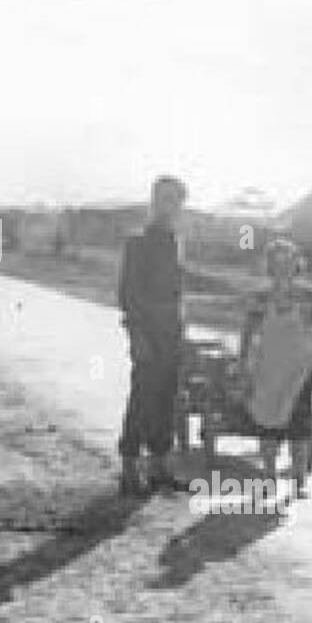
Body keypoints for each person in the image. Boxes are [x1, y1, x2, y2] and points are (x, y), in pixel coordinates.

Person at [238, 237, 312, 499]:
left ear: (296, 265)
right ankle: (267, 477)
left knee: (299, 427)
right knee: (267, 424)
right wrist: (242, 364)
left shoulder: (310, 295)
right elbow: (247, 333)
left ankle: (299, 481)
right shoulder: (260, 297)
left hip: (300, 372)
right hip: (267, 370)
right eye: (276, 262)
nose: (282, 267)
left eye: (288, 262)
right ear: (270, 266)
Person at [118, 175, 188, 497]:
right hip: (148, 332)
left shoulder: (175, 240)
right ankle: (130, 469)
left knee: (167, 399)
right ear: (154, 201)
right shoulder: (138, 242)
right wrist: (137, 335)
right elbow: (129, 293)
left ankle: (160, 467)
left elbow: (176, 291)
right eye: (165, 199)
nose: (170, 206)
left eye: (176, 200)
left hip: (172, 331)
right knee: (143, 398)